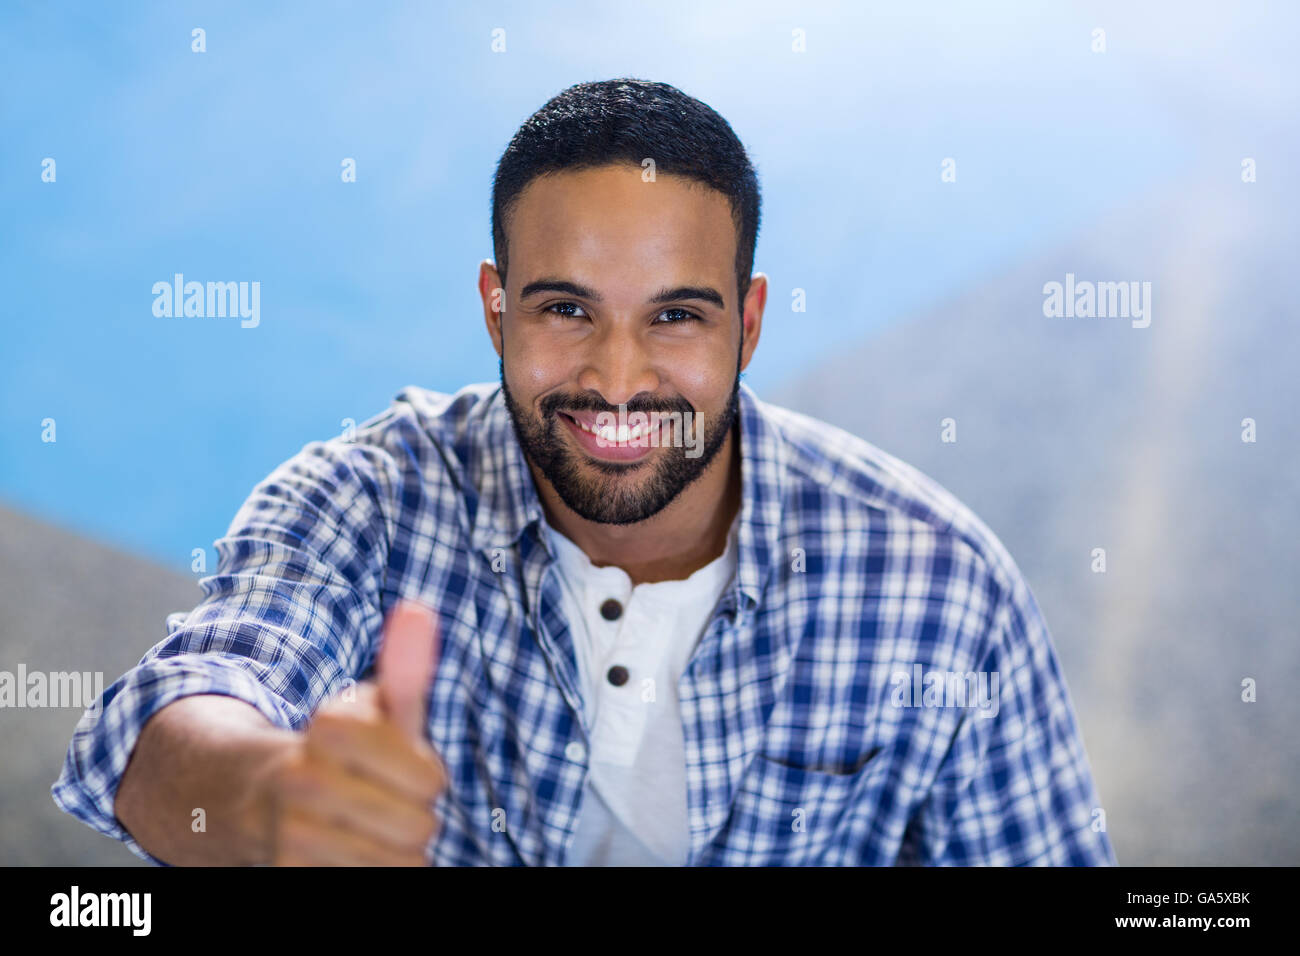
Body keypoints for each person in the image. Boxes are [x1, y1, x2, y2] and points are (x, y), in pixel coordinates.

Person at [52, 77, 1116, 866]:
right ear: (494, 307)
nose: (617, 380)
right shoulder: (372, 498)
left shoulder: (938, 585)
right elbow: (166, 722)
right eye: (566, 309)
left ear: (746, 323)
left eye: (676, 315)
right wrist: (271, 795)